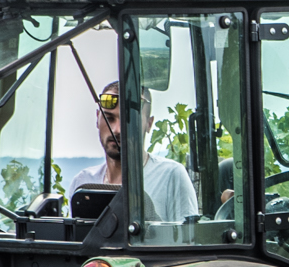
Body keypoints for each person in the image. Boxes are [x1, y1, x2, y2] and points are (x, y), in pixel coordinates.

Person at [68, 80, 197, 221]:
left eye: (127, 120)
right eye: (109, 118)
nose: (116, 129)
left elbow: (187, 241)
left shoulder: (170, 177)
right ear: (97, 118)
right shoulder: (82, 184)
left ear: (149, 124)